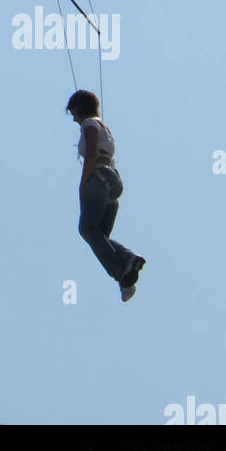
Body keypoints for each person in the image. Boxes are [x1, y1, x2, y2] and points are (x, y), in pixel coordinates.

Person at [66, 90, 145, 302]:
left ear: (79, 108)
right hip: (112, 183)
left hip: (98, 179)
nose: (73, 118)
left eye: (73, 112)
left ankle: (121, 272)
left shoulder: (89, 124)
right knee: (100, 236)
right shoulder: (104, 127)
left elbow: (91, 152)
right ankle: (128, 262)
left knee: (86, 229)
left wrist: (83, 183)